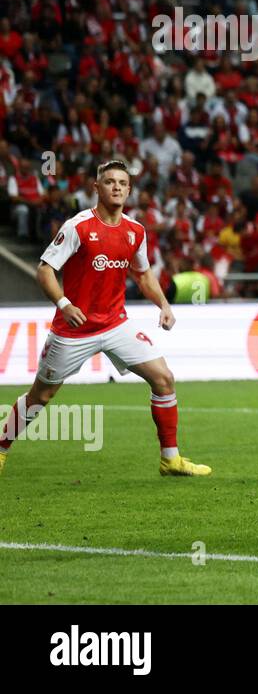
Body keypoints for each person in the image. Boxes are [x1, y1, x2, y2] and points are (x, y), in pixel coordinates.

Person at [0, 160, 210, 478]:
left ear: (129, 189)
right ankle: (1, 447)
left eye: (122, 183)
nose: (116, 187)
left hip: (115, 324)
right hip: (74, 329)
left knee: (163, 378)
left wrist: (164, 305)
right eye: (109, 182)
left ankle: (171, 459)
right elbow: (45, 270)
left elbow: (143, 275)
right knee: (40, 396)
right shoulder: (78, 226)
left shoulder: (135, 231)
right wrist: (64, 304)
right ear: (96, 188)